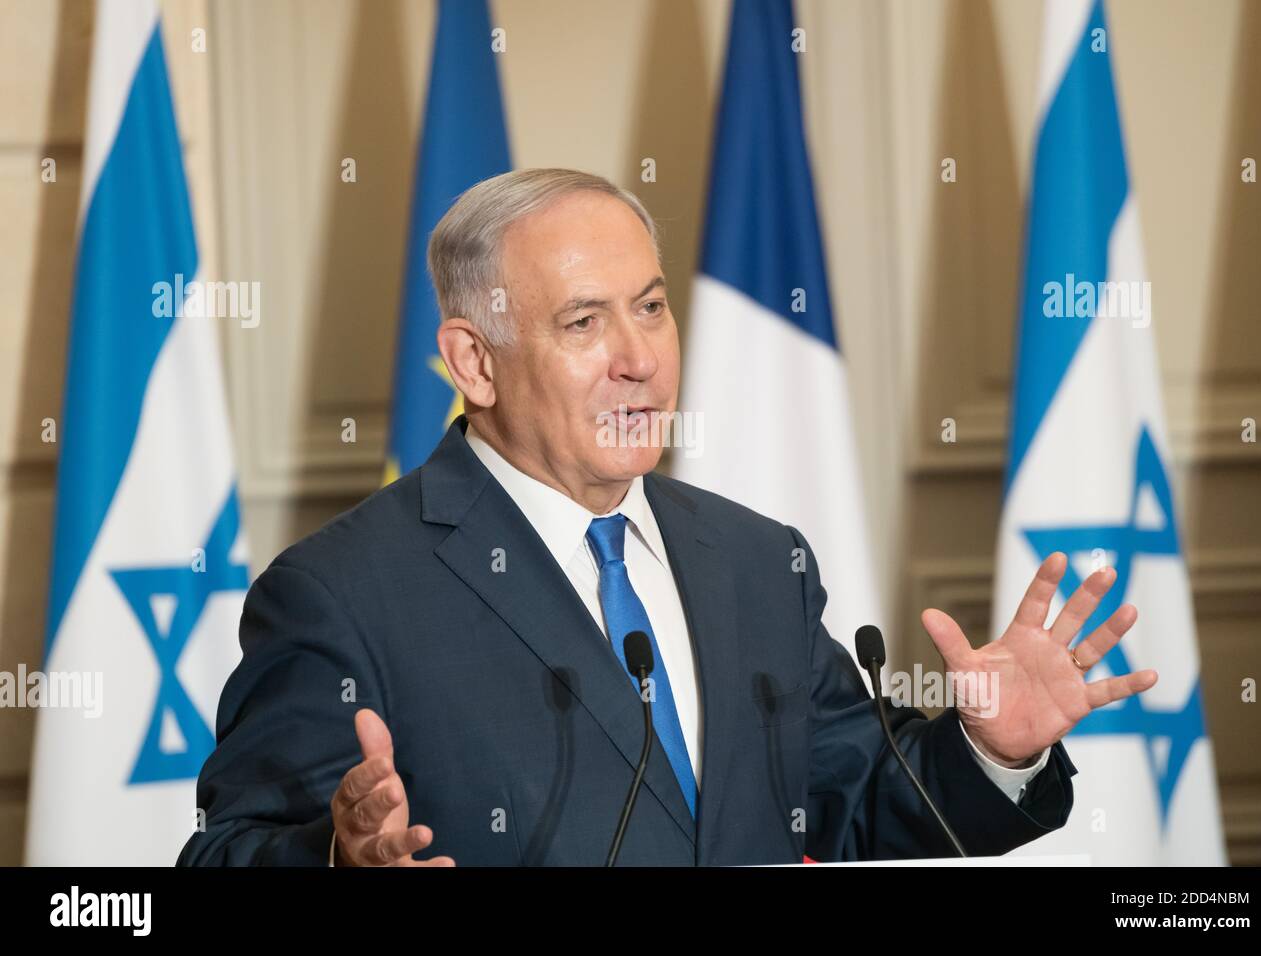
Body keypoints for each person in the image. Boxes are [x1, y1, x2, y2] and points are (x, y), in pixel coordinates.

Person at [177, 168, 1155, 866]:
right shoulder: (342, 592)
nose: (638, 356)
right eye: (583, 322)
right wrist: (338, 859)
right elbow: (223, 852)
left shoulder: (752, 557)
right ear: (473, 362)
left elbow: (847, 801)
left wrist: (995, 747)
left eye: (650, 307)